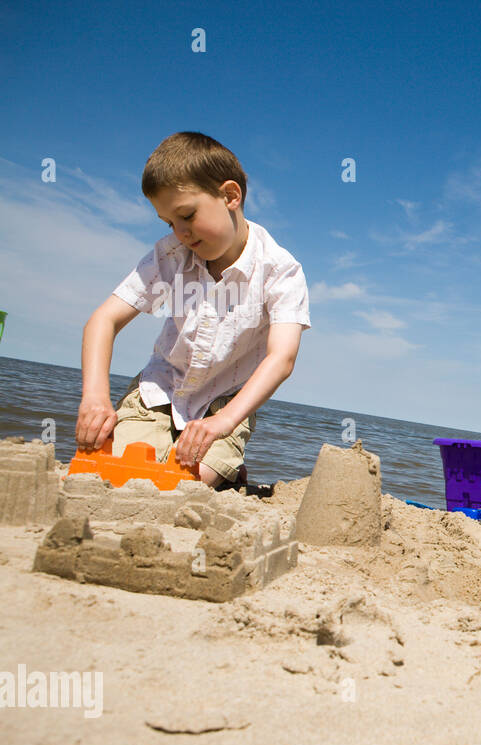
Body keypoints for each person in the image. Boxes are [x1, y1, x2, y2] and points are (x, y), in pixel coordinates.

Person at [75, 131, 309, 488]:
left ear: (231, 195)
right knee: (122, 474)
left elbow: (282, 358)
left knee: (189, 482)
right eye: (170, 222)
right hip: (160, 391)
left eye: (187, 215)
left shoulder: (280, 270)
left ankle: (226, 467)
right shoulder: (171, 254)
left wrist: (224, 422)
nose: (180, 231)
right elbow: (103, 320)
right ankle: (191, 452)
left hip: (223, 406)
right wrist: (94, 397)